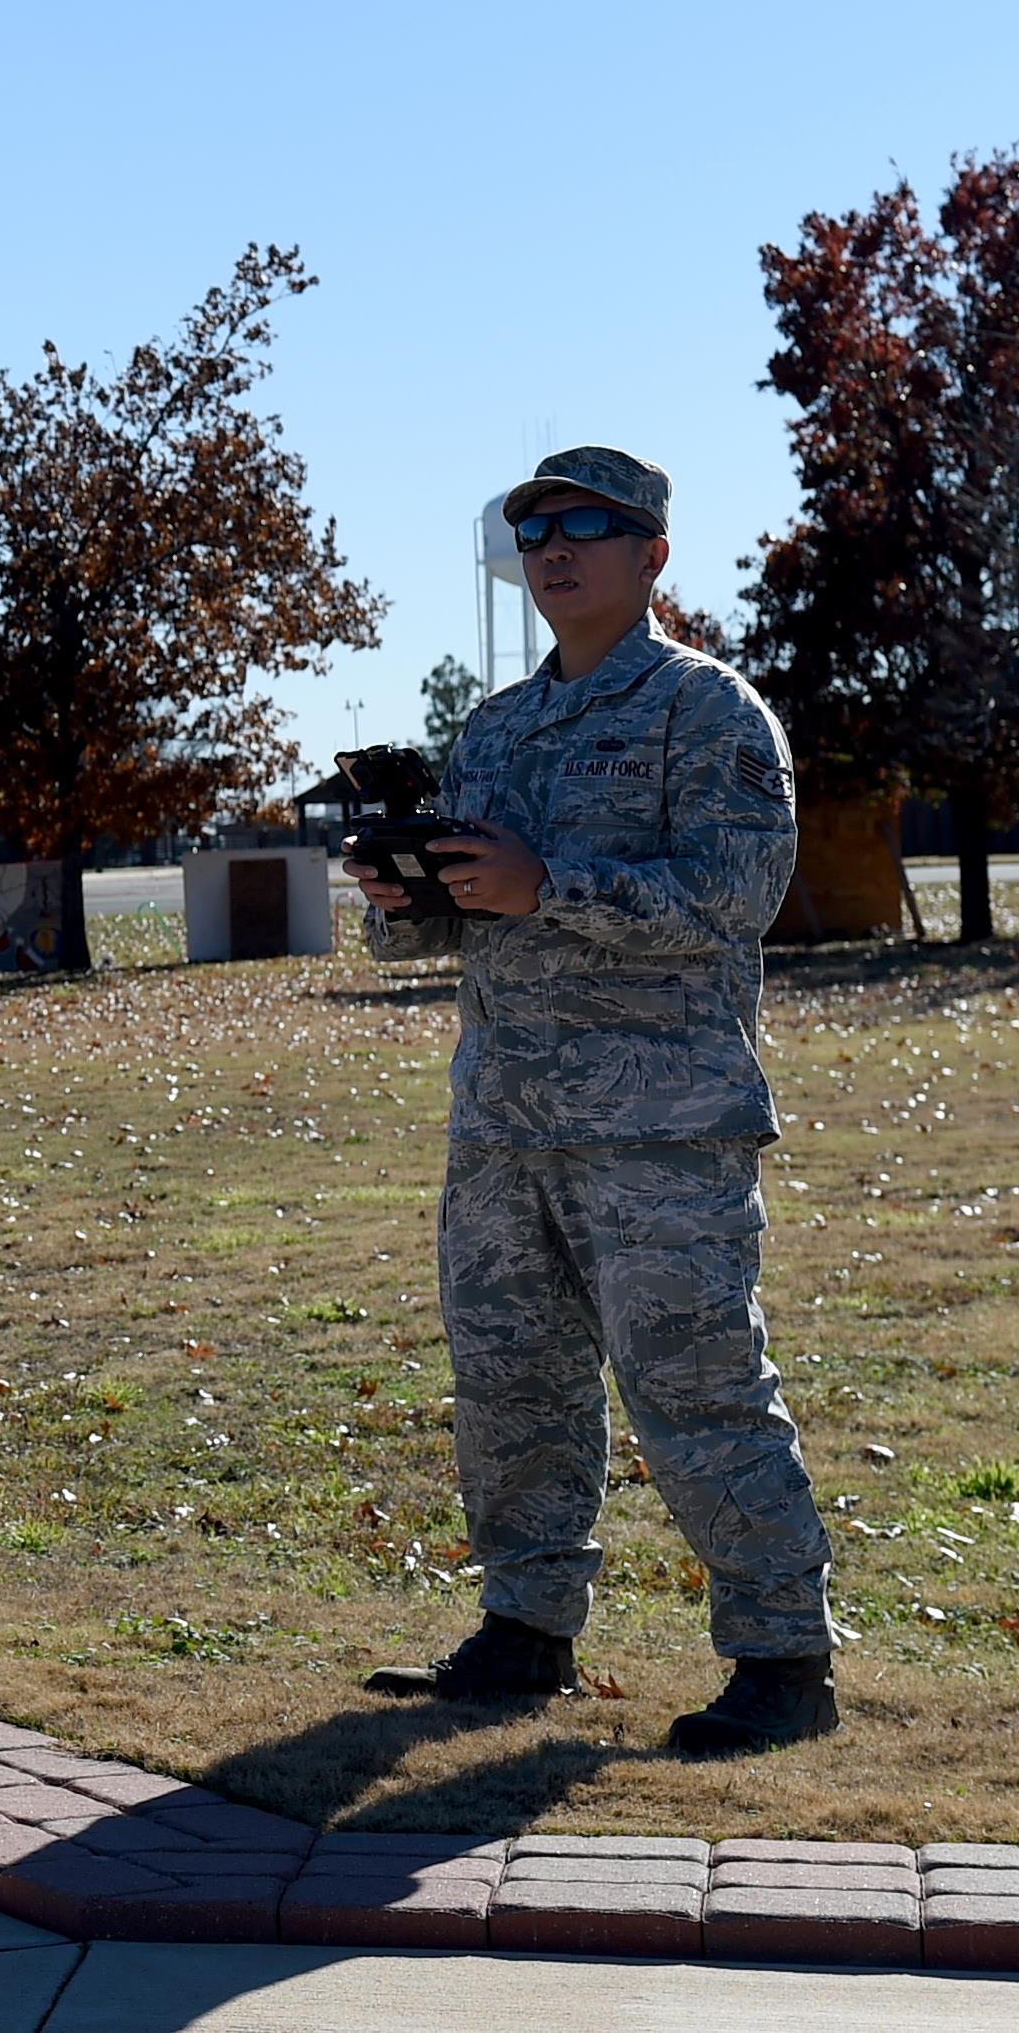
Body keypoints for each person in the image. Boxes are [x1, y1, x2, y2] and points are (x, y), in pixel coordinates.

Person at [344, 445, 838, 1756]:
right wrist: (412, 903)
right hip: (505, 1120)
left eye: (585, 525)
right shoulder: (495, 730)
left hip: (658, 1124)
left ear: (652, 553)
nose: (552, 547)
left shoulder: (710, 713)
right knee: (510, 1378)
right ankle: (525, 1626)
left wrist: (542, 882)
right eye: (531, 530)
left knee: (696, 1380)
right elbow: (472, 917)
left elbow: (735, 900)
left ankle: (784, 1651)